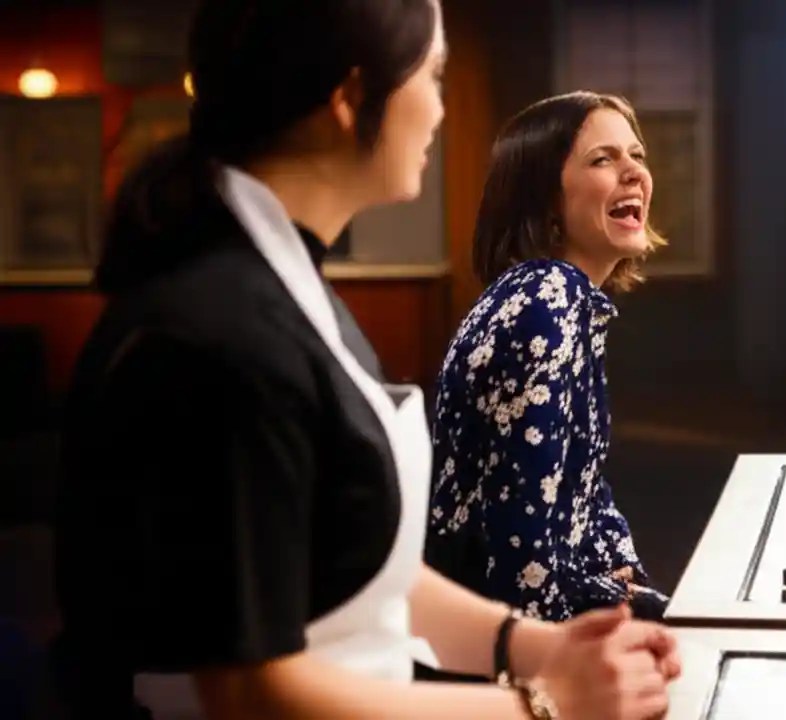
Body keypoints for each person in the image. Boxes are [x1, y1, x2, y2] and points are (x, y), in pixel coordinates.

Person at [52, 2, 679, 719]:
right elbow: (249, 691)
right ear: (351, 100)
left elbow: (362, 564)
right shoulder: (223, 330)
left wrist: (534, 648)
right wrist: (541, 703)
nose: (440, 112)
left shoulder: (284, 286)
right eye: (433, 76)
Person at [426, 92, 669, 622]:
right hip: (494, 646)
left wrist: (622, 568)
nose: (634, 173)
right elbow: (522, 550)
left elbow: (582, 487)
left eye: (637, 155)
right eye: (603, 159)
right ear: (543, 196)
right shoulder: (544, 300)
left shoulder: (562, 298)